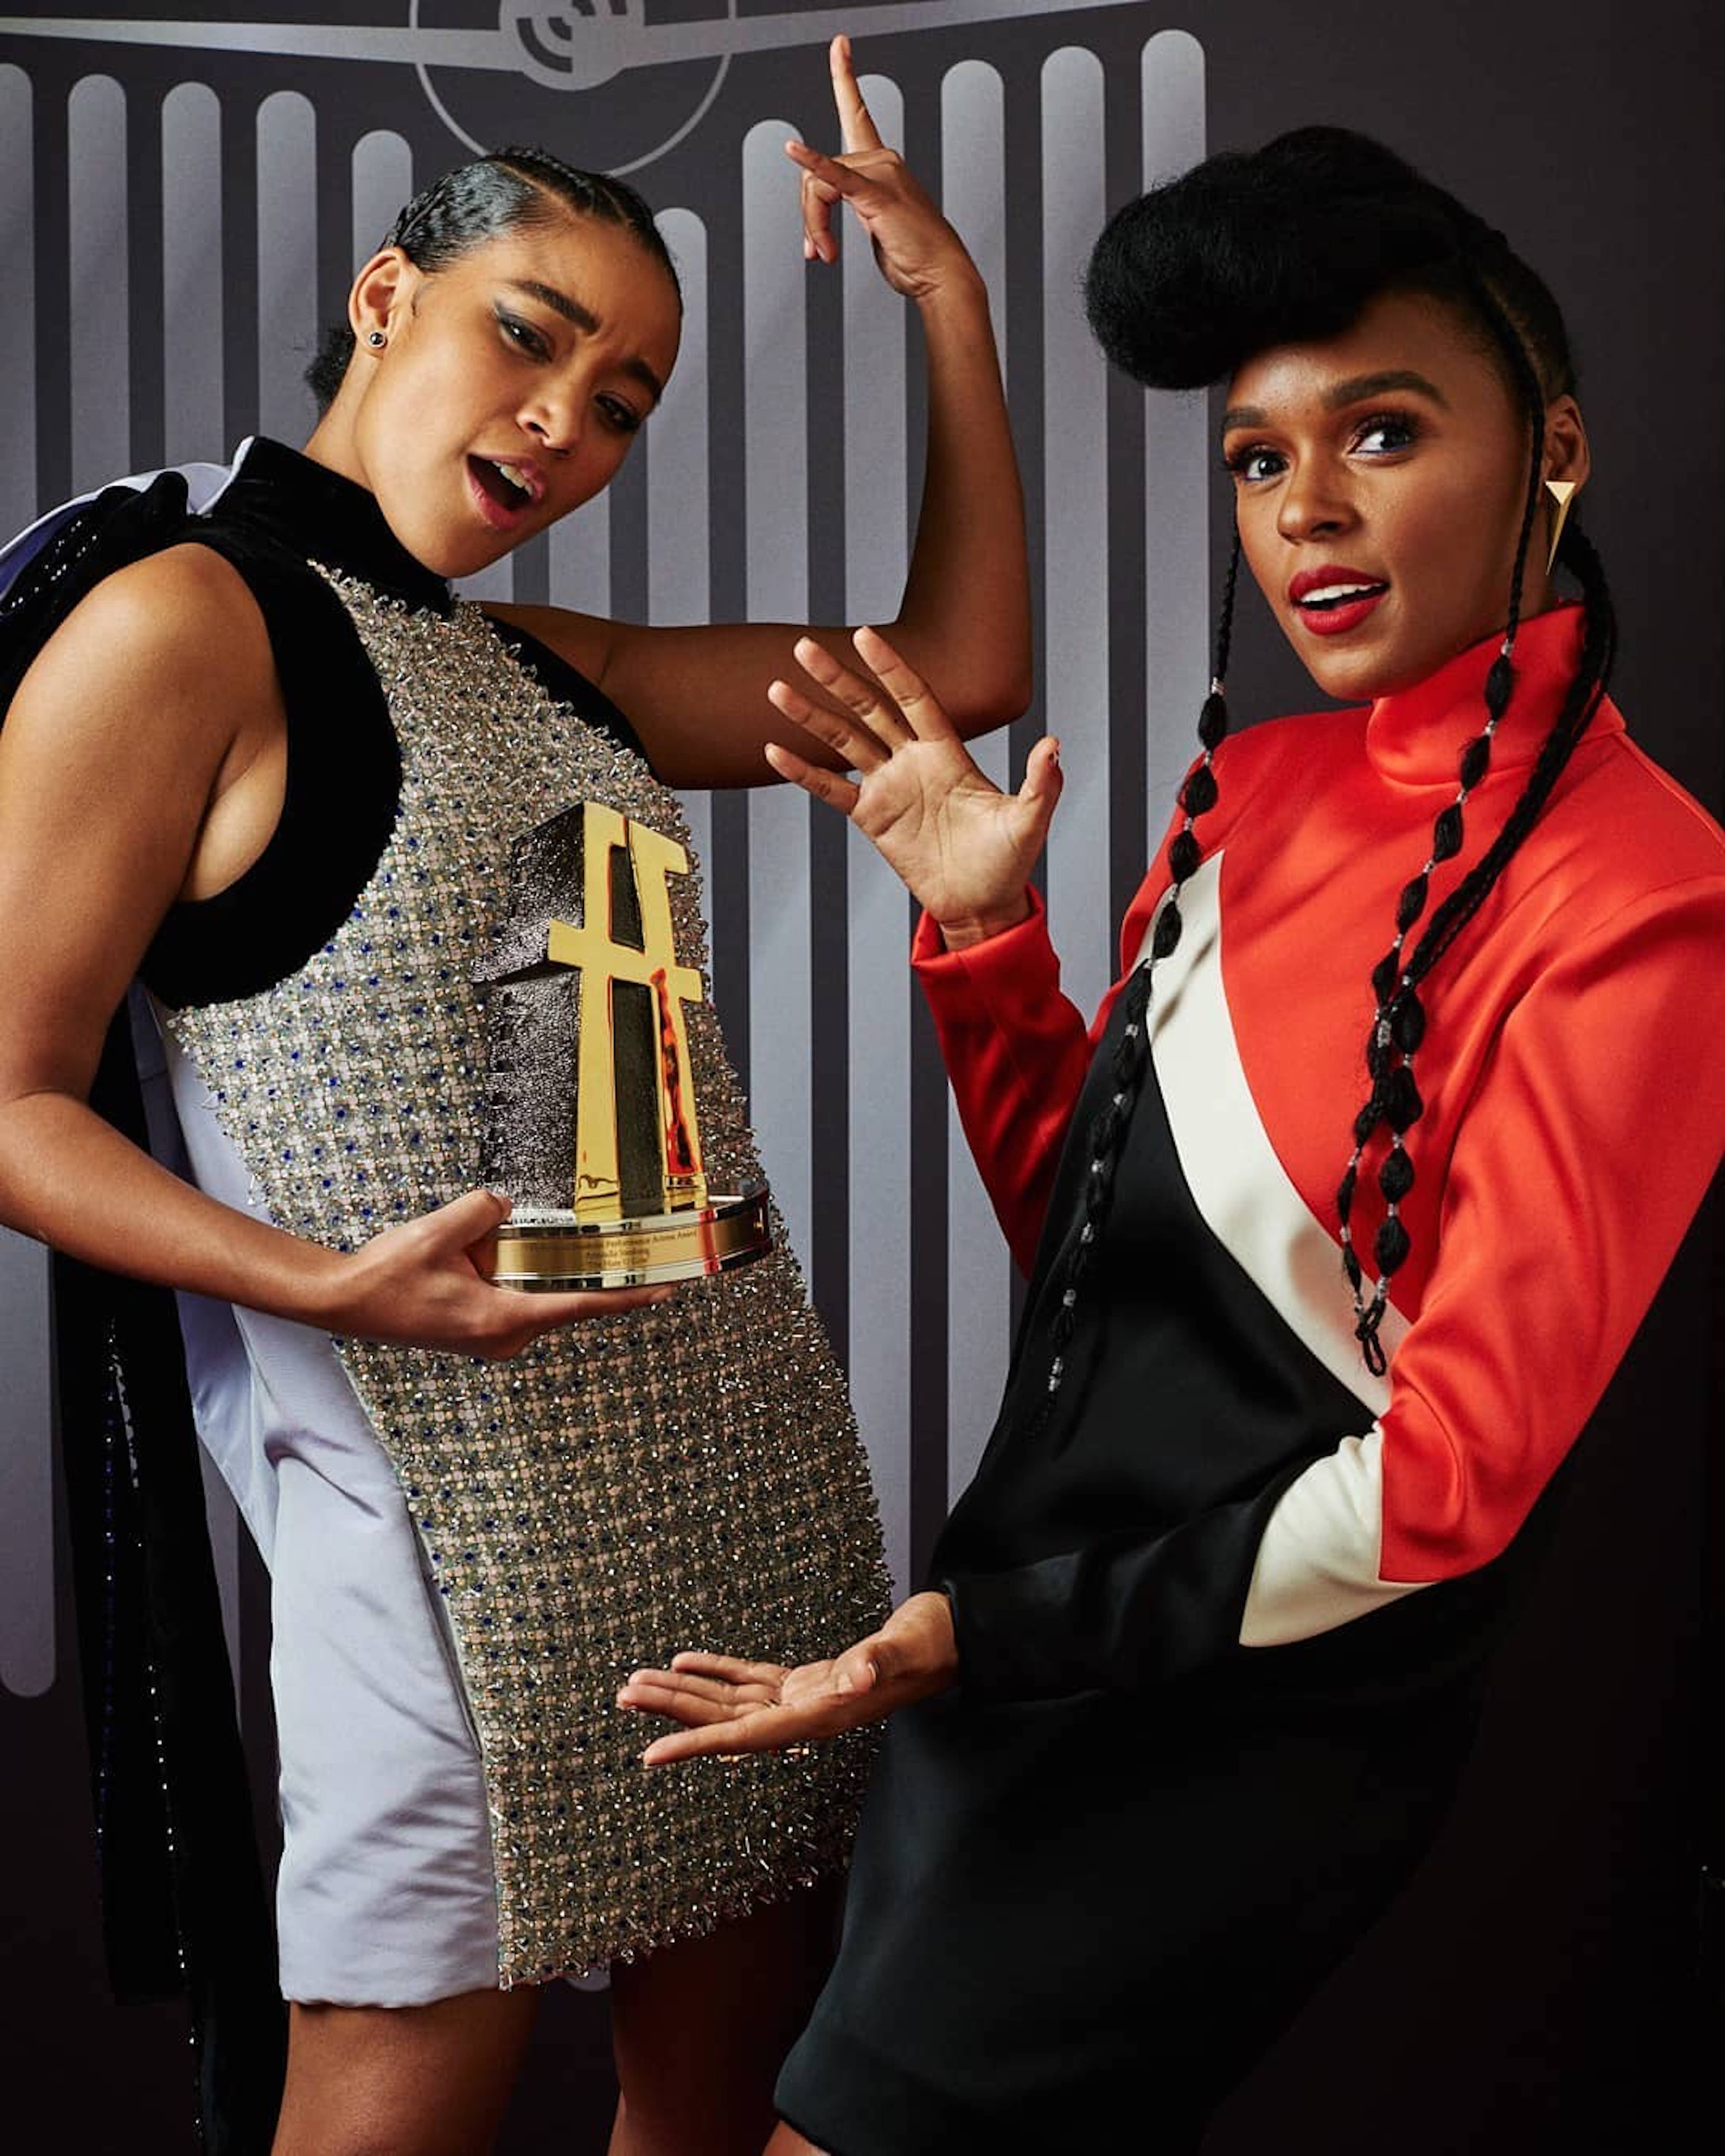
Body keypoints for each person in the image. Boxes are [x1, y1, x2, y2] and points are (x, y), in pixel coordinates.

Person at [619, 125, 1725, 2153]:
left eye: (1379, 435)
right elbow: (1095, 1257)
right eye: (1254, 456)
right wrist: (979, 935)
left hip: (1241, 1707)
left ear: (1549, 447)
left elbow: (1446, 1488)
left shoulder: (1641, 888)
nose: (1305, 513)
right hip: (1000, 1655)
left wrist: (977, 1638)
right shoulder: (1257, 789)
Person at [0, 36, 1027, 2156]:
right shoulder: (180, 623)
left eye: (625, 399)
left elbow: (962, 667)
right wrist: (325, 1284)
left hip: (731, 1472)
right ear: (387, 300)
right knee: (390, 2104)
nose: (565, 423)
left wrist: (947, 303)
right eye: (529, 340)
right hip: (439, 1517)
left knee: (731, 2104)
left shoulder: (546, 666)